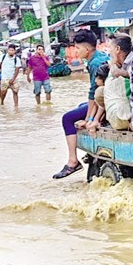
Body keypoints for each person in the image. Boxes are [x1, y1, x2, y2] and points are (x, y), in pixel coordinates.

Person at [52, 31, 110, 179]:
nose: (75, 51)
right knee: (81, 106)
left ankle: (73, 161)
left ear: (87, 49)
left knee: (67, 118)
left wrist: (89, 119)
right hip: (107, 100)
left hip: (106, 101)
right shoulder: (98, 58)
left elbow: (95, 95)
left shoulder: (95, 63)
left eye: (77, 48)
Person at [93, 33, 133, 130]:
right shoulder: (115, 66)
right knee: (100, 92)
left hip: (131, 112)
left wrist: (122, 73)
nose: (108, 52)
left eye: (110, 48)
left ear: (117, 49)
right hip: (118, 113)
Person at [0, 44, 22, 108]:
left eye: (12, 50)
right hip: (4, 78)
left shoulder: (17, 59)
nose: (11, 51)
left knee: (15, 92)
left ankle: (16, 106)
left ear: (15, 51)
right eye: (10, 50)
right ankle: (2, 102)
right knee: (3, 92)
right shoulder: (2, 57)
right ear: (7, 50)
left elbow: (17, 70)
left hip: (14, 78)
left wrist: (13, 79)